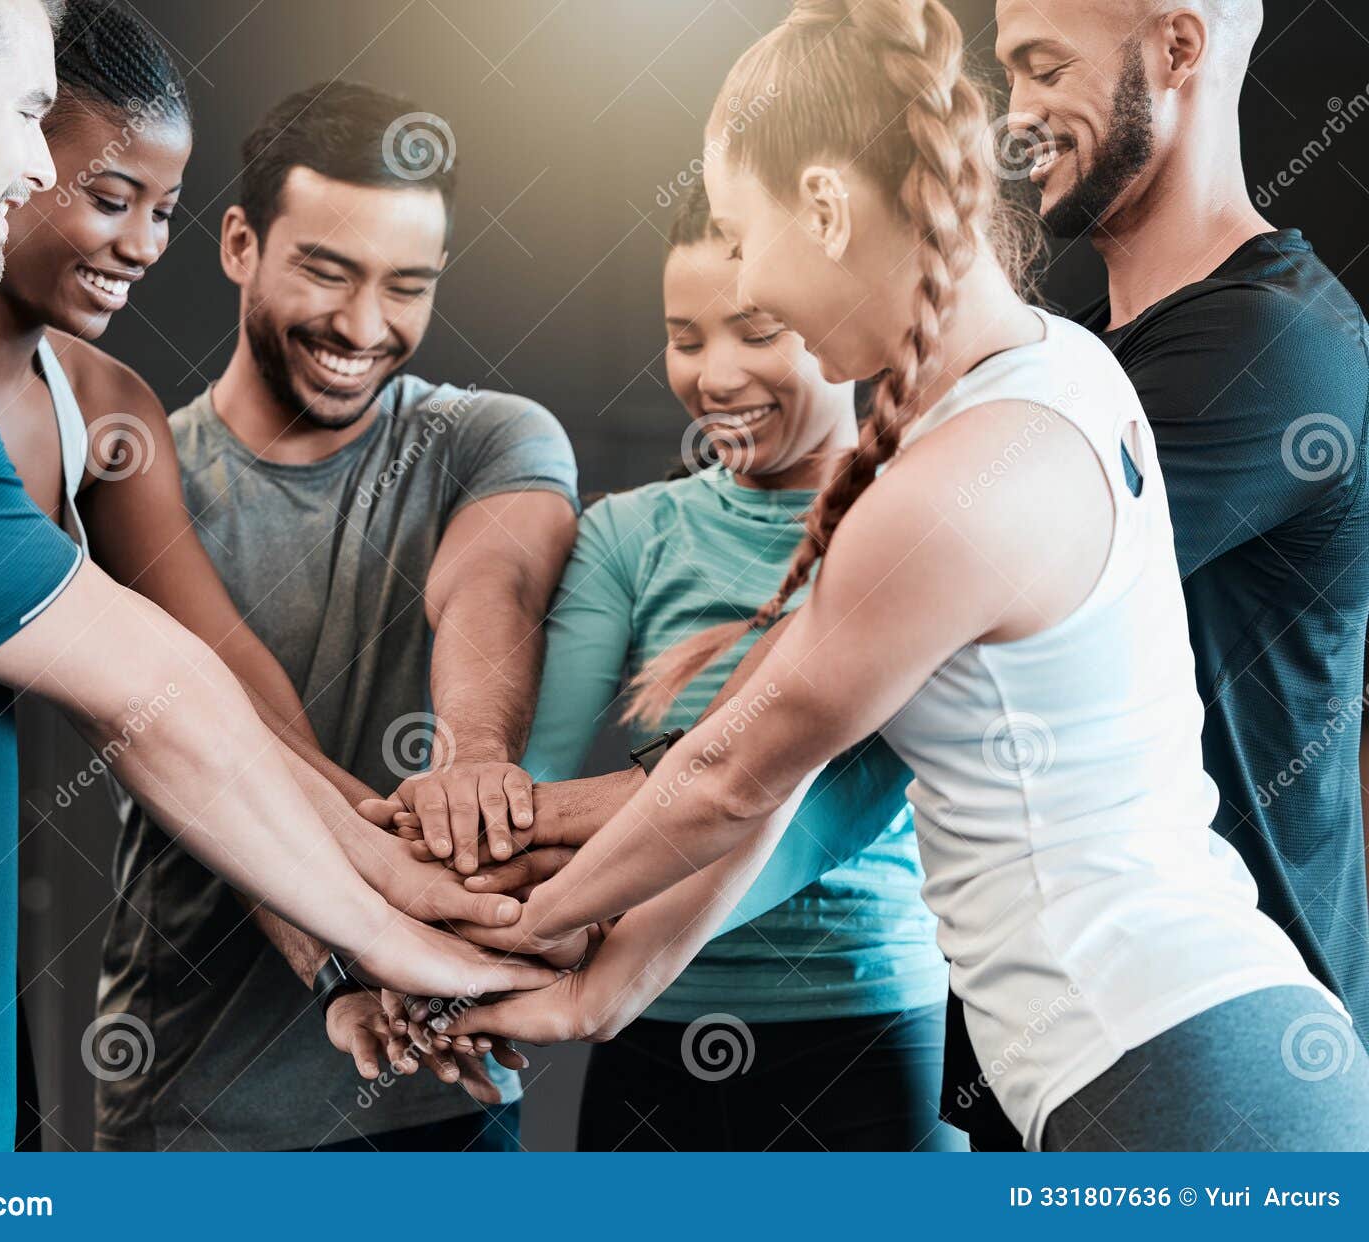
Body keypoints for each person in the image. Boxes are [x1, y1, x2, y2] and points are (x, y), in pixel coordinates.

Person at [437, 0, 1369, 1153]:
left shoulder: (958, 484)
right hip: (1192, 1061)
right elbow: (771, 774)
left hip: (1181, 1082)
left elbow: (731, 774)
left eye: (739, 233)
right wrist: (605, 987)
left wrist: (507, 933)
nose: (748, 285)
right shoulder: (1061, 368)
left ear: (824, 206)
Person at [0, 0, 549, 1153]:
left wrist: (372, 906)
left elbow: (196, 688)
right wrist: (403, 939)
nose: (34, 161)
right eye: (32, 117)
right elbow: (161, 699)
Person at [91, 81, 581, 1153]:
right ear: (236, 244)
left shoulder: (489, 437)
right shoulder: (134, 478)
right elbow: (208, 756)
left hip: (441, 1098)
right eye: (326, 269)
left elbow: (490, 586)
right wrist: (350, 960)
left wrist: (475, 758)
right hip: (193, 1106)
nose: (364, 326)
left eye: (406, 286)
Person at [924, 0, 1369, 1150]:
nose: (1014, 114)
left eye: (1041, 67)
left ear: (1177, 49)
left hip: (1225, 1065)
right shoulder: (1072, 364)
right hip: (1057, 1064)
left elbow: (907, 643)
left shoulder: (1274, 350)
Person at [515, 180, 954, 1152]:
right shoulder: (630, 533)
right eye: (685, 336)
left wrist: (593, 943)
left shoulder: (917, 522)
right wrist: (474, 950)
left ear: (829, 319)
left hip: (871, 1035)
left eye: (756, 331)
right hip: (650, 1051)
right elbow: (534, 781)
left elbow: (823, 804)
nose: (714, 375)